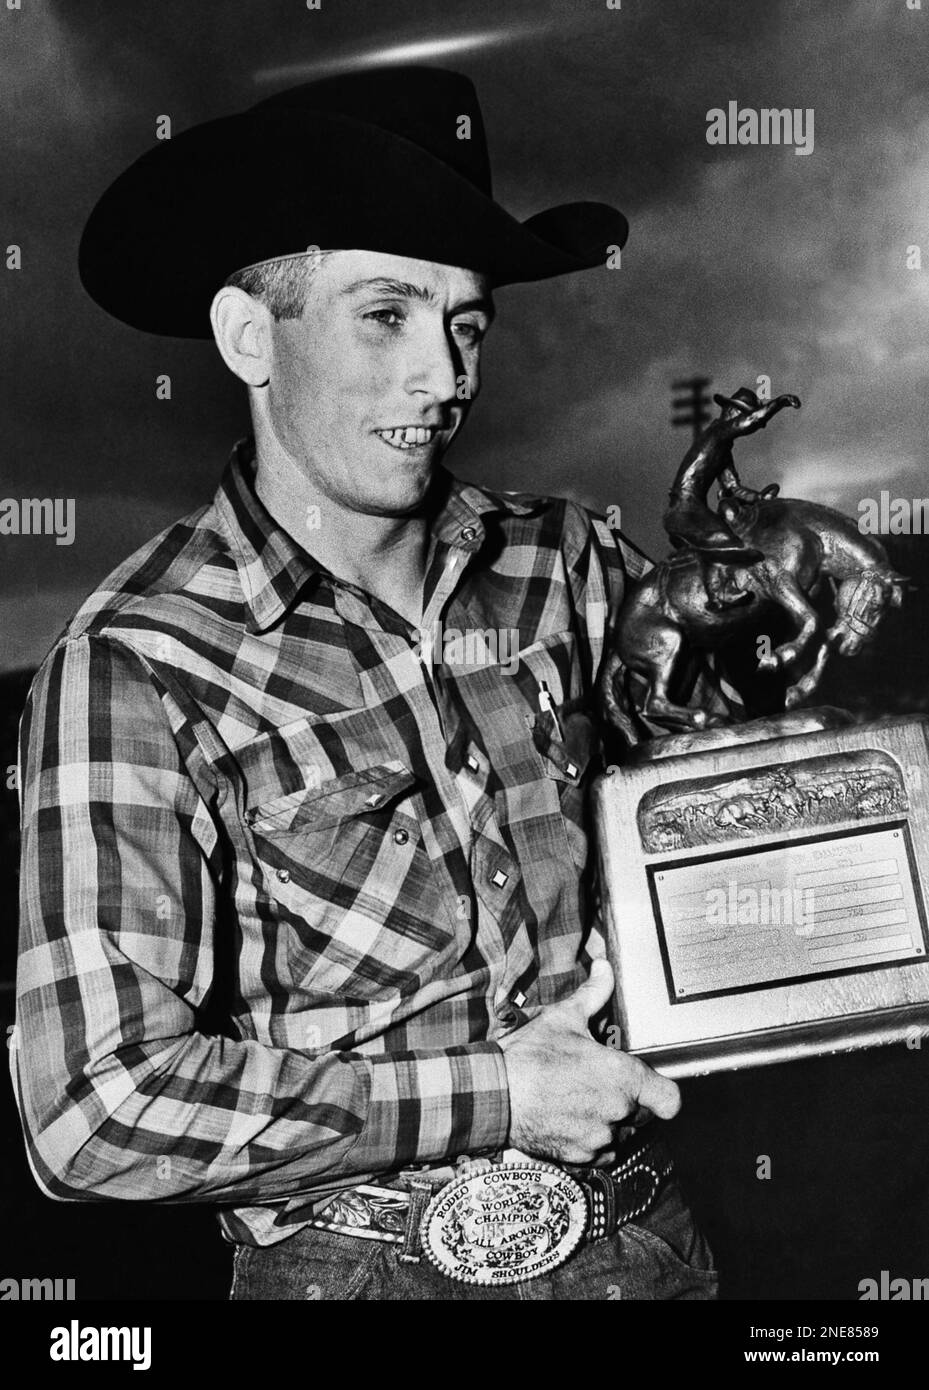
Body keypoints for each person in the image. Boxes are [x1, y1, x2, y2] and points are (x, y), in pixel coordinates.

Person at [10, 66, 717, 1301]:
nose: (444, 379)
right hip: (357, 1273)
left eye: (466, 324)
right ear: (247, 336)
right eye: (384, 314)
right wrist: (503, 1092)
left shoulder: (572, 562)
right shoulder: (139, 661)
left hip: (640, 1246)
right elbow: (93, 1110)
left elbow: (722, 814)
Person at [663, 387, 798, 611]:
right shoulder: (716, 433)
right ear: (729, 411)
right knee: (724, 539)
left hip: (692, 508)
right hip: (684, 509)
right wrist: (779, 402)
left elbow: (733, 487)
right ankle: (718, 594)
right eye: (739, 413)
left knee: (732, 536)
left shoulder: (723, 449)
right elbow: (750, 422)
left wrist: (759, 497)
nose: (740, 418)